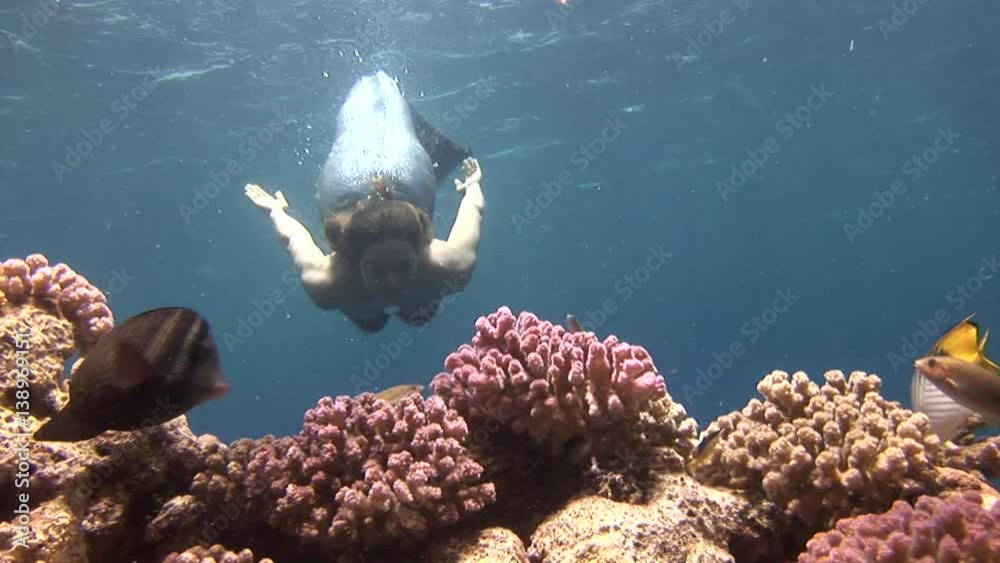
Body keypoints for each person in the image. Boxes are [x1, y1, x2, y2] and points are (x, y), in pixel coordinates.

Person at [244, 71, 485, 332]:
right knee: (376, 319)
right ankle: (382, 83)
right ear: (352, 260)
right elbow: (473, 209)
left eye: (403, 267)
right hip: (405, 179)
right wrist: (275, 211)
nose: (393, 283)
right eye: (377, 272)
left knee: (411, 314)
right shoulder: (328, 283)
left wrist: (278, 212)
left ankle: (381, 83)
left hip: (352, 185)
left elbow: (294, 238)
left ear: (421, 248)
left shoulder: (326, 285)